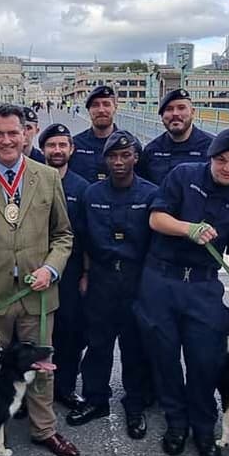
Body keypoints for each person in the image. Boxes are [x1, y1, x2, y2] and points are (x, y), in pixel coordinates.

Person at [0, 104, 79, 456]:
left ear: (26, 134)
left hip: (36, 295)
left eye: (13, 133)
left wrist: (50, 269)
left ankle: (45, 430)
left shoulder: (48, 177)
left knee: (41, 369)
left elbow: (63, 235)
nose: (6, 140)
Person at [136, 129, 229, 456]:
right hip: (162, 279)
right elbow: (156, 218)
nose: (228, 168)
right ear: (211, 157)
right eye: (221, 160)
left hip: (202, 286)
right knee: (165, 355)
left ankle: (204, 426)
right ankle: (176, 423)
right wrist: (188, 229)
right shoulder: (184, 175)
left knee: (205, 360)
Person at [67, 131, 157, 436]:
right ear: (105, 159)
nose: (119, 162)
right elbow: (82, 239)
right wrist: (85, 274)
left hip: (136, 277)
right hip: (102, 276)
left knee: (134, 344)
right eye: (113, 156)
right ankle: (96, 398)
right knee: (98, 342)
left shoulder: (150, 194)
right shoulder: (91, 194)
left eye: (125, 155)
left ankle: (135, 403)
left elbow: (156, 243)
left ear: (135, 157)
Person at [37, 123, 90, 410]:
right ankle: (33, 390)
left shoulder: (82, 188)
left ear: (72, 149)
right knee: (35, 333)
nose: (57, 150)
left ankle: (66, 387)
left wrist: (86, 272)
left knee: (70, 332)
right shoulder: (31, 180)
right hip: (37, 271)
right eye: (51, 145)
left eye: (62, 145)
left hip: (69, 272)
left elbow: (86, 236)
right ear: (42, 149)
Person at [139, 89, 215, 187]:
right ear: (162, 116)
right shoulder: (151, 150)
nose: (175, 113)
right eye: (169, 109)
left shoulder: (211, 148)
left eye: (181, 108)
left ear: (192, 112)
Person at [69, 85, 118, 183]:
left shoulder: (129, 145)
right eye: (95, 105)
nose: (101, 110)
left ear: (115, 108)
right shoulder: (75, 145)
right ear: (88, 110)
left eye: (106, 104)